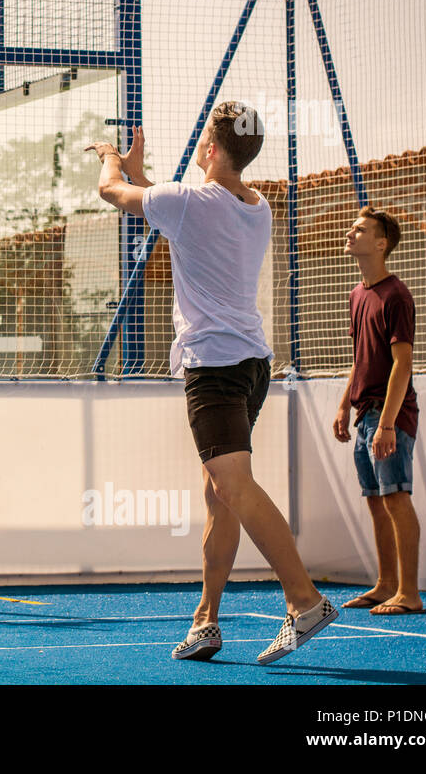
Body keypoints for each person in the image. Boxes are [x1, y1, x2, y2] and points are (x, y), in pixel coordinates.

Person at [87, 102, 337, 665]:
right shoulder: (257, 206)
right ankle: (206, 621)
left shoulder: (189, 203)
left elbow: (114, 196)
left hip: (216, 367)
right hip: (252, 365)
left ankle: (305, 601)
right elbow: (176, 210)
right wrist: (139, 175)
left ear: (211, 150)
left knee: (233, 486)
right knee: (218, 492)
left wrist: (110, 160)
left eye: (203, 140)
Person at [333, 207, 424, 615]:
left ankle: (410, 593)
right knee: (376, 500)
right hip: (364, 414)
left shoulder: (397, 296)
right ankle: (386, 584)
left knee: (396, 498)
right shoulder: (357, 294)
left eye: (360, 229)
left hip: (391, 418)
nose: (350, 233)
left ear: (382, 243)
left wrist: (387, 423)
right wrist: (342, 405)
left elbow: (402, 364)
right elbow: (360, 357)